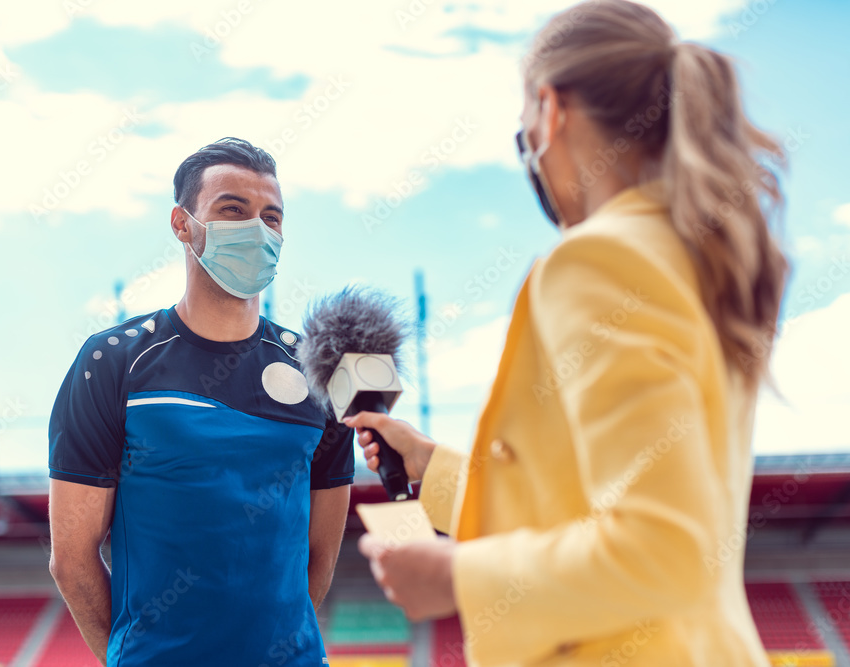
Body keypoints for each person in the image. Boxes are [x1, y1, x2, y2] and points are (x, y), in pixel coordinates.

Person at [345, 1, 788, 665]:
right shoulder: (692, 257)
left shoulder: (596, 260)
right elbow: (597, 501)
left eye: (524, 127)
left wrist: (454, 575)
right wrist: (433, 468)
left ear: (550, 111)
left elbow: (663, 545)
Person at [47, 137, 355, 665]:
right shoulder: (115, 361)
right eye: (232, 210)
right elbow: (72, 561)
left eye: (271, 217)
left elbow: (321, 554)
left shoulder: (318, 372)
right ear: (182, 223)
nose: (257, 230)